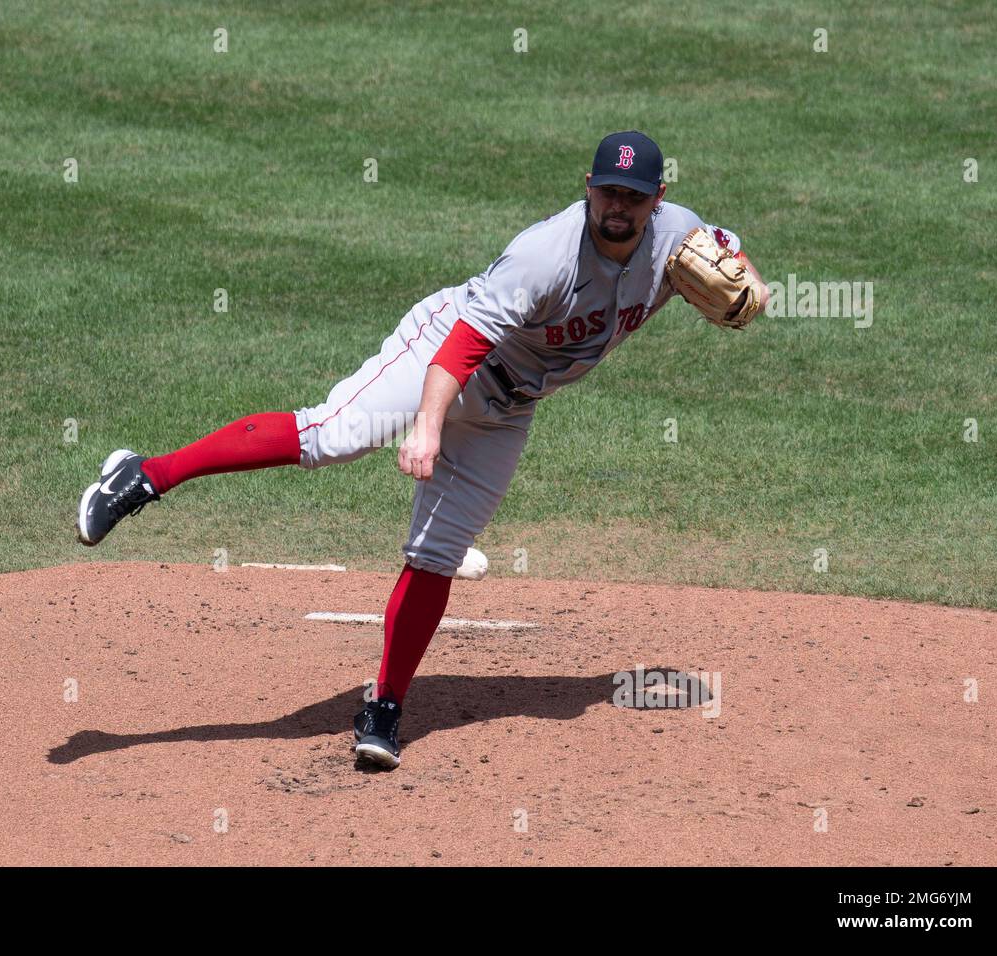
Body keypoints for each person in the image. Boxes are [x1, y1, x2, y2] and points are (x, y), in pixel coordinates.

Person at [75, 131, 769, 769]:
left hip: (509, 407)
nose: (619, 208)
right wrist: (428, 427)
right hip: (440, 355)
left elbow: (728, 251)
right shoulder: (545, 255)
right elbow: (460, 348)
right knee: (332, 436)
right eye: (607, 192)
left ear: (658, 198)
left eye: (634, 197)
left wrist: (754, 285)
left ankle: (384, 707)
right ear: (587, 186)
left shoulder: (678, 236)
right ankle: (142, 475)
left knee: (435, 554)